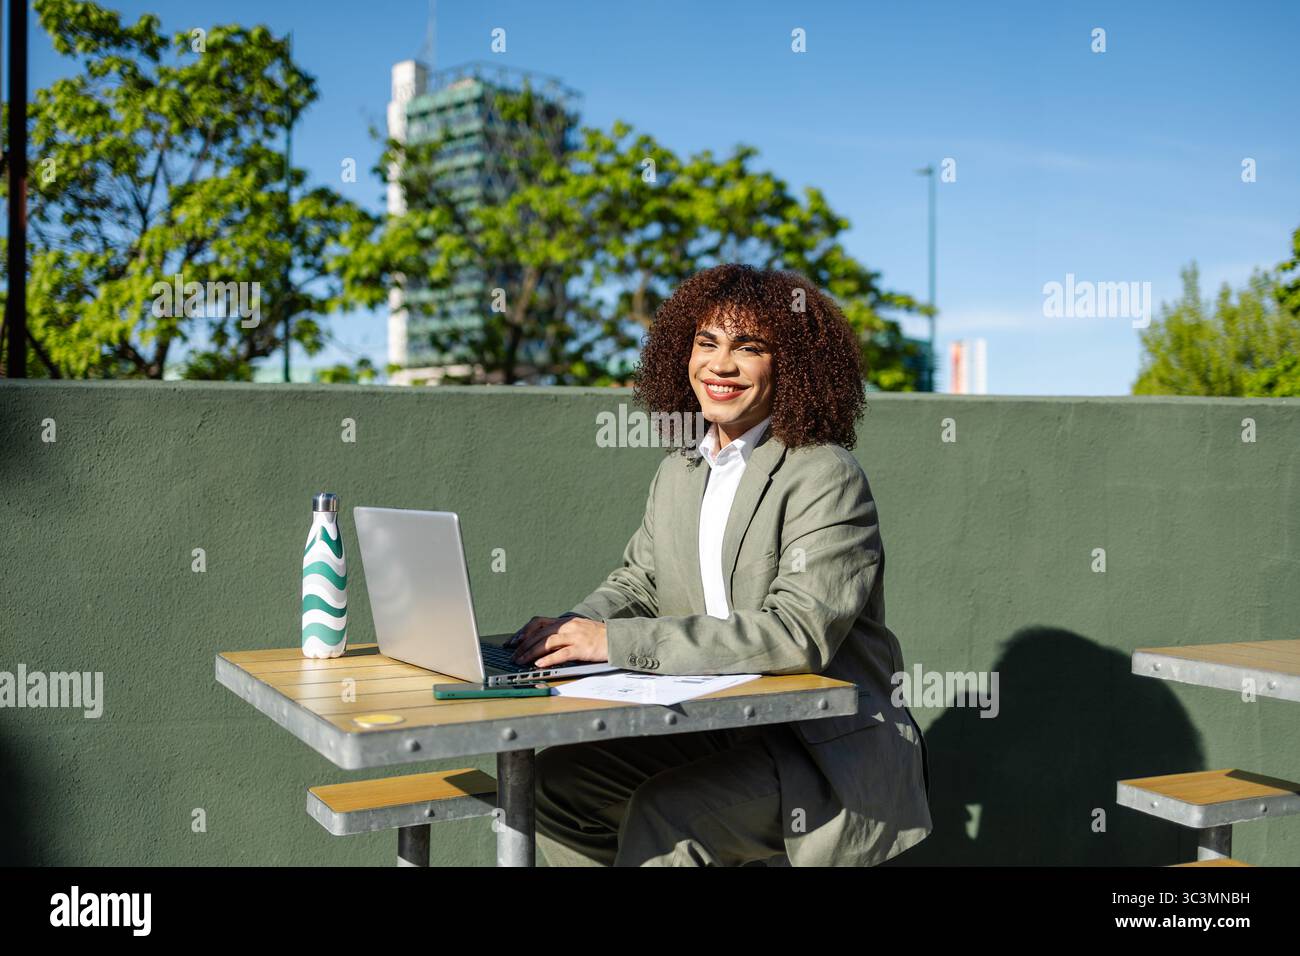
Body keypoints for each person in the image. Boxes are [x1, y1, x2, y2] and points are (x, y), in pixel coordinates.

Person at [508, 263, 932, 866]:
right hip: (714, 729)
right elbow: (641, 581)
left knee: (668, 813)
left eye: (748, 348)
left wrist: (611, 642)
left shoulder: (824, 474)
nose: (720, 365)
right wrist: (565, 633)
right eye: (706, 342)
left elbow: (796, 636)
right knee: (555, 787)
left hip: (820, 753)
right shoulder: (679, 470)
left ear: (791, 366)